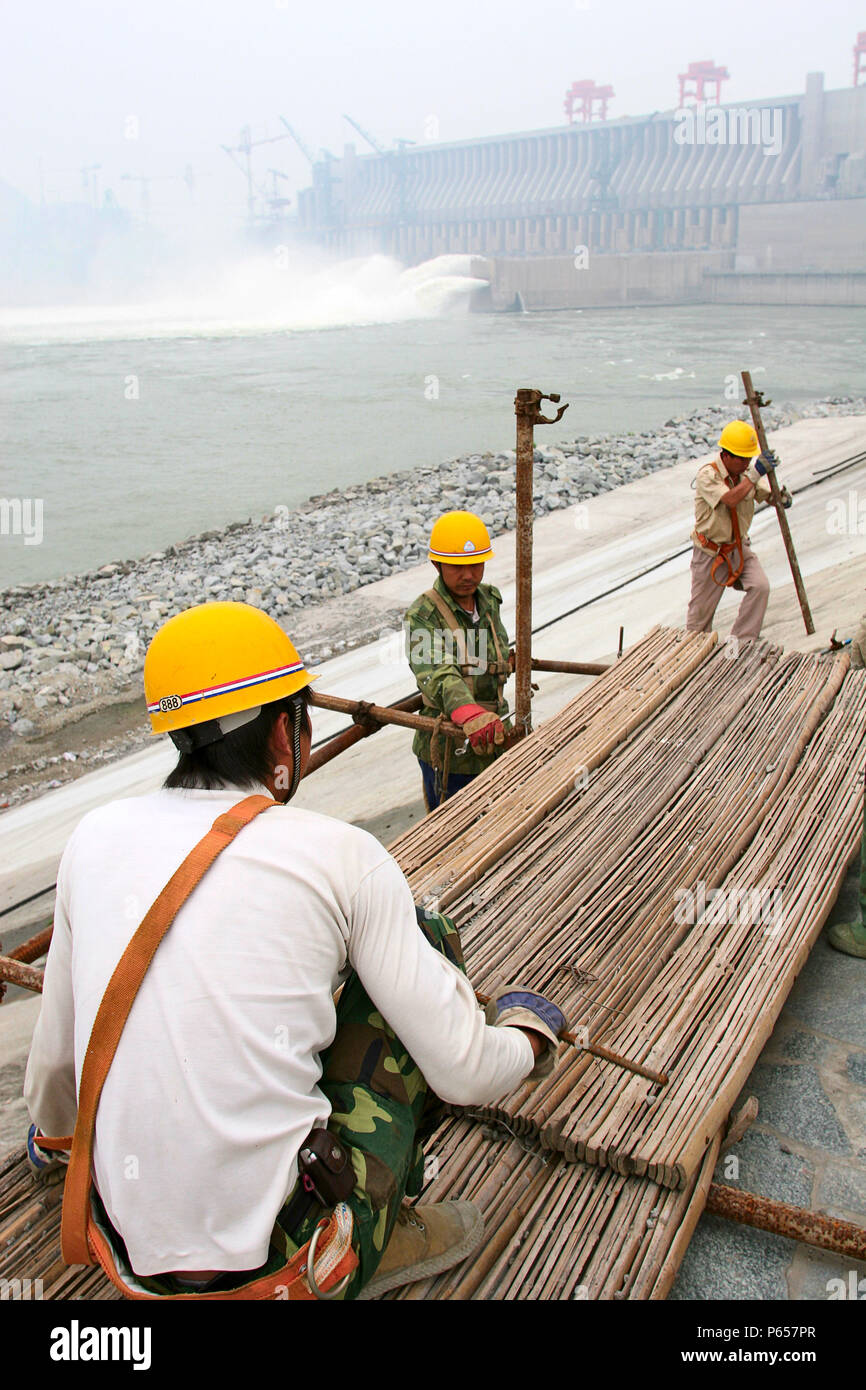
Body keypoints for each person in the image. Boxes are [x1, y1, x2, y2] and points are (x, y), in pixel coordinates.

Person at [24, 601, 564, 1300]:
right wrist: (529, 1038)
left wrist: (54, 1140)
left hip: (128, 1258)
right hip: (290, 1267)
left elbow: (58, 1063)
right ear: (287, 732)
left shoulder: (93, 839)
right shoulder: (338, 854)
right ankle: (377, 1232)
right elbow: (463, 1074)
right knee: (426, 939)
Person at [404, 511, 512, 809]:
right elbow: (438, 674)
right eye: (457, 567)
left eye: (476, 565)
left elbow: (486, 653)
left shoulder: (489, 600)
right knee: (455, 836)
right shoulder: (423, 615)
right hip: (452, 755)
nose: (469, 575)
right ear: (437, 564)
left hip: (497, 739)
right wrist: (468, 713)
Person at [685, 421, 791, 643]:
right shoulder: (708, 475)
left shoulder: (745, 476)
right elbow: (731, 500)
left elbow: (764, 494)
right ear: (727, 456)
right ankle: (693, 653)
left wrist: (779, 497)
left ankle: (741, 642)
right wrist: (755, 474)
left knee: (760, 587)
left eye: (749, 459)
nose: (746, 464)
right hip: (711, 553)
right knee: (699, 620)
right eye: (742, 459)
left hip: (738, 548)